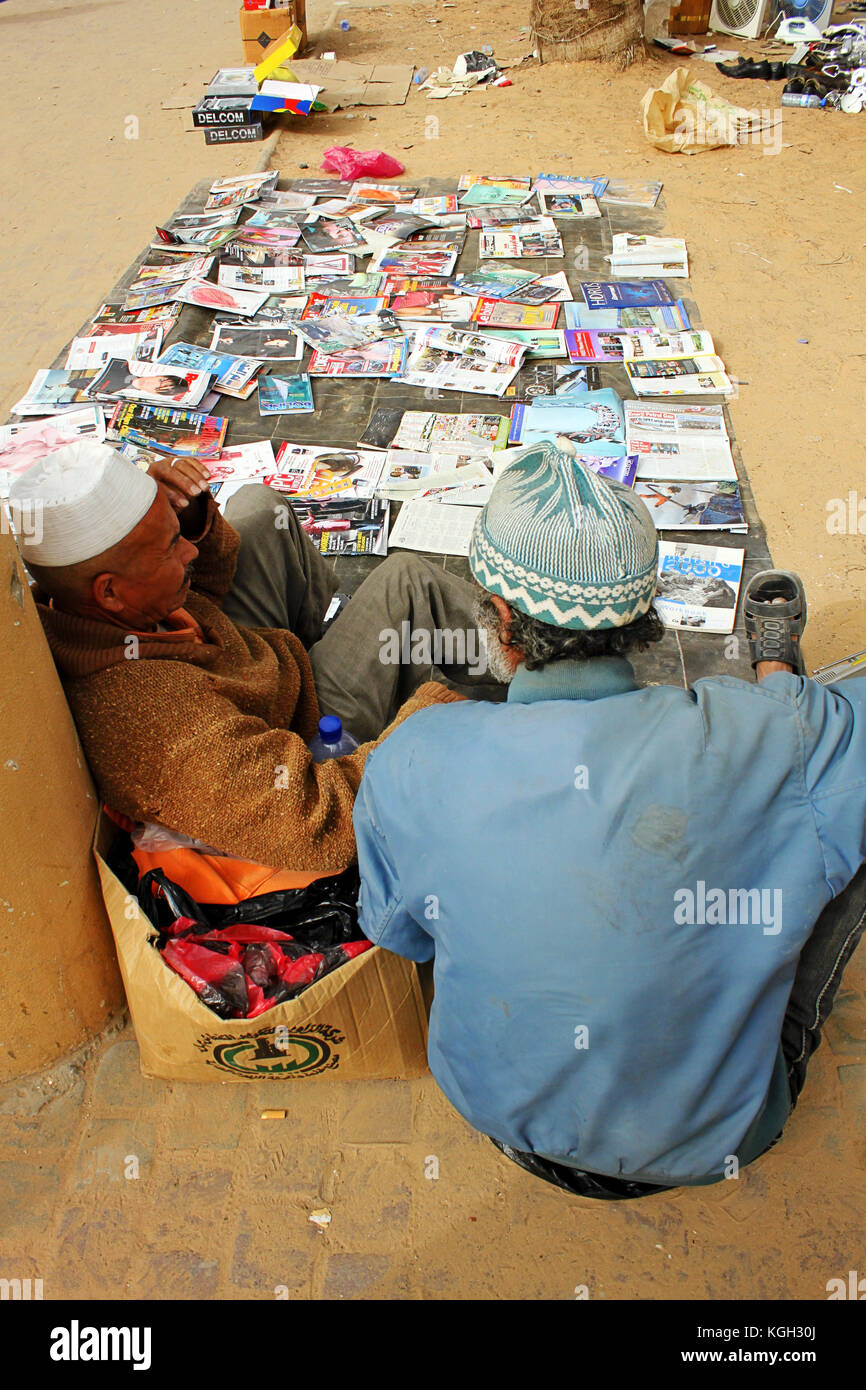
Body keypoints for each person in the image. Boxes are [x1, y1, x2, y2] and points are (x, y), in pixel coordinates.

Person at [353, 442, 866, 1197]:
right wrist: (782, 699)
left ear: (499, 618)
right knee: (824, 799)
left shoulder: (414, 758)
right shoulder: (763, 738)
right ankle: (778, 669)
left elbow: (398, 933)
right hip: (719, 1138)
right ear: (643, 614)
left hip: (500, 1117)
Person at [8, 440, 495, 874]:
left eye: (176, 532)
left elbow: (206, 585)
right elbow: (319, 826)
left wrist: (191, 516)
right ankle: (543, 670)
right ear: (109, 592)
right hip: (304, 737)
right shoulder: (154, 725)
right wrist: (428, 718)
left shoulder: (96, 604)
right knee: (406, 586)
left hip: (261, 663)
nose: (189, 553)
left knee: (259, 508)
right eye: (170, 545)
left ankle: (333, 629)